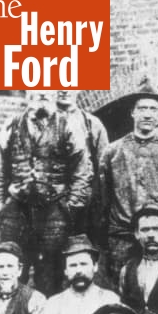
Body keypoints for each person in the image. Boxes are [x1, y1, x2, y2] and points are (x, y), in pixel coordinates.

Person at [0, 89, 92, 296]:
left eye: (47, 90)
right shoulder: (12, 125)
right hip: (16, 211)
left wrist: (69, 208)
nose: (42, 94)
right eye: (36, 89)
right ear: (27, 93)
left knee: (52, 274)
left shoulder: (69, 125)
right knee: (13, 268)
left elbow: (83, 171)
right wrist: (0, 206)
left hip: (55, 212)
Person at [100, 82, 158, 277]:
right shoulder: (113, 152)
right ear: (132, 112)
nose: (148, 114)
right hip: (122, 238)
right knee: (123, 287)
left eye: (153, 109)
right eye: (142, 108)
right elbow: (102, 201)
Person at [55, 90, 109, 238]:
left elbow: (104, 171)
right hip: (48, 207)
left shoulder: (93, 125)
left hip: (83, 209)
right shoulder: (39, 122)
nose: (64, 90)